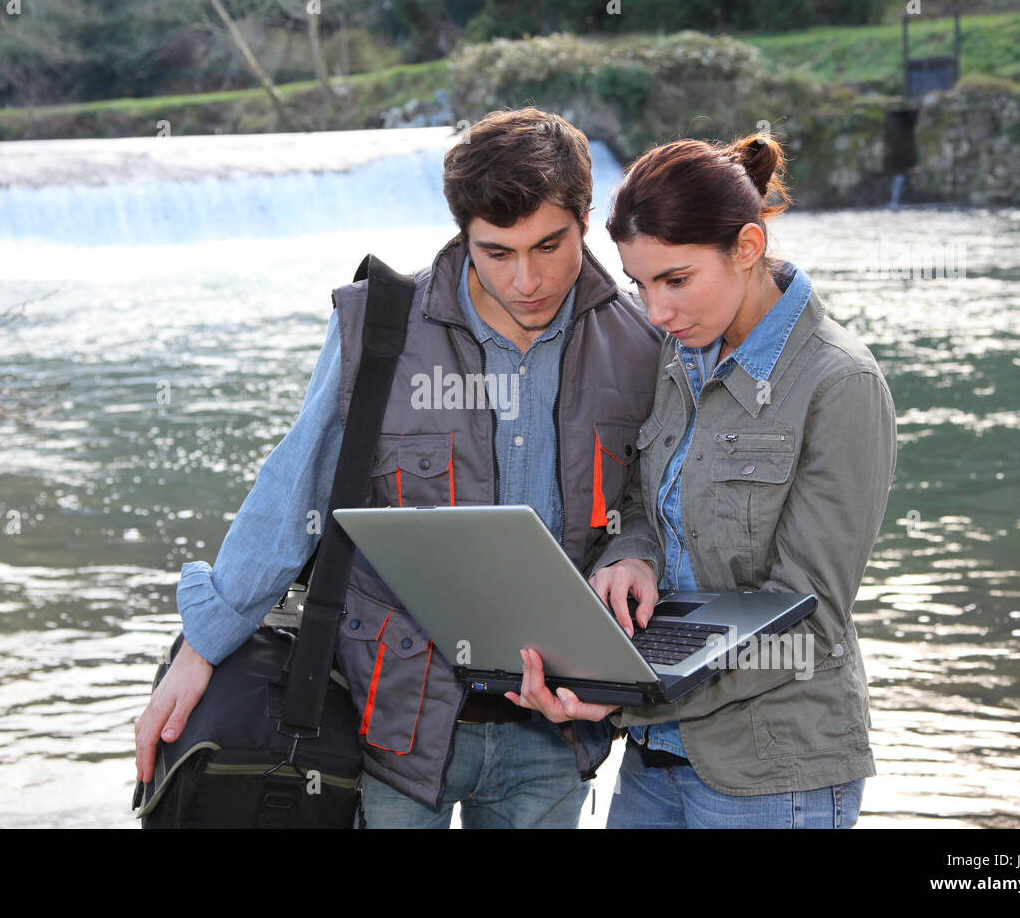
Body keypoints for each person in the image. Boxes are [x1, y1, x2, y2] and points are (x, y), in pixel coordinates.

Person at [134, 107, 664, 827]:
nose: (527, 279)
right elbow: (297, 488)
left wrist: (633, 550)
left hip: (555, 735)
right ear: (462, 233)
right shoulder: (378, 327)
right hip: (391, 728)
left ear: (585, 216)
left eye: (550, 245)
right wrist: (203, 648)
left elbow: (651, 505)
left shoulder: (641, 343)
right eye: (497, 251)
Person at [505, 132, 897, 829]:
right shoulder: (676, 352)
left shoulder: (842, 384)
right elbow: (640, 499)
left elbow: (807, 623)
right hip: (653, 760)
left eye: (675, 280)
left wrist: (625, 690)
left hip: (775, 777)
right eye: (640, 284)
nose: (655, 312)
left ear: (747, 248)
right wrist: (633, 555)